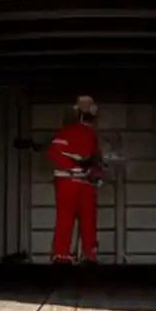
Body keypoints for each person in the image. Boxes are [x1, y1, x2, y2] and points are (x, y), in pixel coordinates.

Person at [47, 95, 102, 264]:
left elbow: (95, 159)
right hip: (70, 180)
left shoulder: (88, 134)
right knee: (72, 217)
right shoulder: (71, 132)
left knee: (82, 218)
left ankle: (81, 253)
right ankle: (66, 254)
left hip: (79, 182)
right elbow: (54, 153)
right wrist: (77, 165)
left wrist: (92, 171)